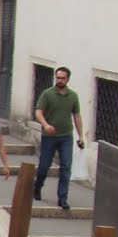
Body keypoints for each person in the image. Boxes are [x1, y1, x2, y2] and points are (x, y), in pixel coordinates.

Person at [34, 66, 85, 211]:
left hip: (66, 136)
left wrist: (81, 136)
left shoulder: (73, 96)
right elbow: (38, 111)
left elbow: (76, 115)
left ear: (68, 79)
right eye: (58, 77)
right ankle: (37, 187)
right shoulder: (47, 94)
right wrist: (45, 124)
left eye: (62, 78)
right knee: (44, 165)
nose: (59, 80)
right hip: (49, 136)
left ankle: (63, 197)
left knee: (66, 166)